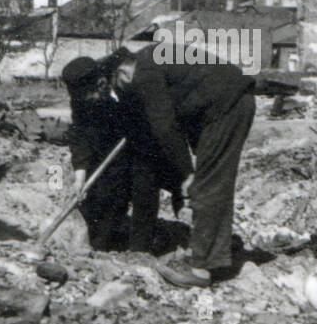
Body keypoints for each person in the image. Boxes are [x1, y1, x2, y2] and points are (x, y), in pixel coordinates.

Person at [108, 44, 255, 287]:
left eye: (119, 87)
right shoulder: (152, 57)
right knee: (211, 183)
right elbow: (187, 98)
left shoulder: (145, 71)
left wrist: (186, 173)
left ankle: (200, 270)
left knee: (209, 185)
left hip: (227, 108)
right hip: (227, 104)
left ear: (122, 73)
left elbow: (164, 125)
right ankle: (210, 257)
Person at [61, 55, 178, 253]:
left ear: (101, 83)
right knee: (103, 189)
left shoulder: (129, 78)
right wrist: (79, 175)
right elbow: (81, 135)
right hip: (111, 140)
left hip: (145, 140)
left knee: (144, 183)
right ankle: (103, 240)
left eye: (90, 97)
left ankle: (140, 249)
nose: (87, 103)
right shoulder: (82, 97)